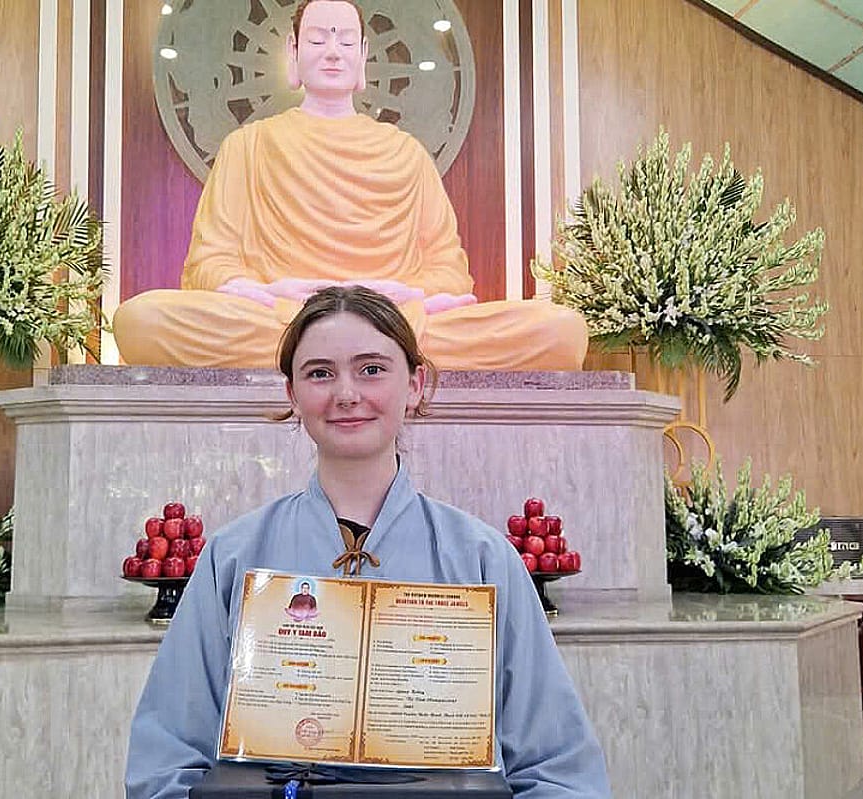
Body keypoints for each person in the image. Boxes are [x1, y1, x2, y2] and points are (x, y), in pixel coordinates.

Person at [125, 286, 611, 798]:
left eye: (372, 369)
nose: (347, 394)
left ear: (416, 384)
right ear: (291, 394)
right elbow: (166, 762)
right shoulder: (235, 556)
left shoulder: (482, 558)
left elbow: (558, 770)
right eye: (319, 373)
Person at [112, 0, 589, 373]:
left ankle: (345, 352)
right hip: (284, 317)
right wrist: (275, 289)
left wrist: (391, 294)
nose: (333, 51)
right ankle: (356, 356)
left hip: (396, 322)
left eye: (346, 41)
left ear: (363, 57)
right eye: (318, 39)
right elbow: (210, 263)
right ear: (294, 55)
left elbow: (449, 273)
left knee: (560, 331)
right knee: (141, 321)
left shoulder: (405, 153)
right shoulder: (250, 146)